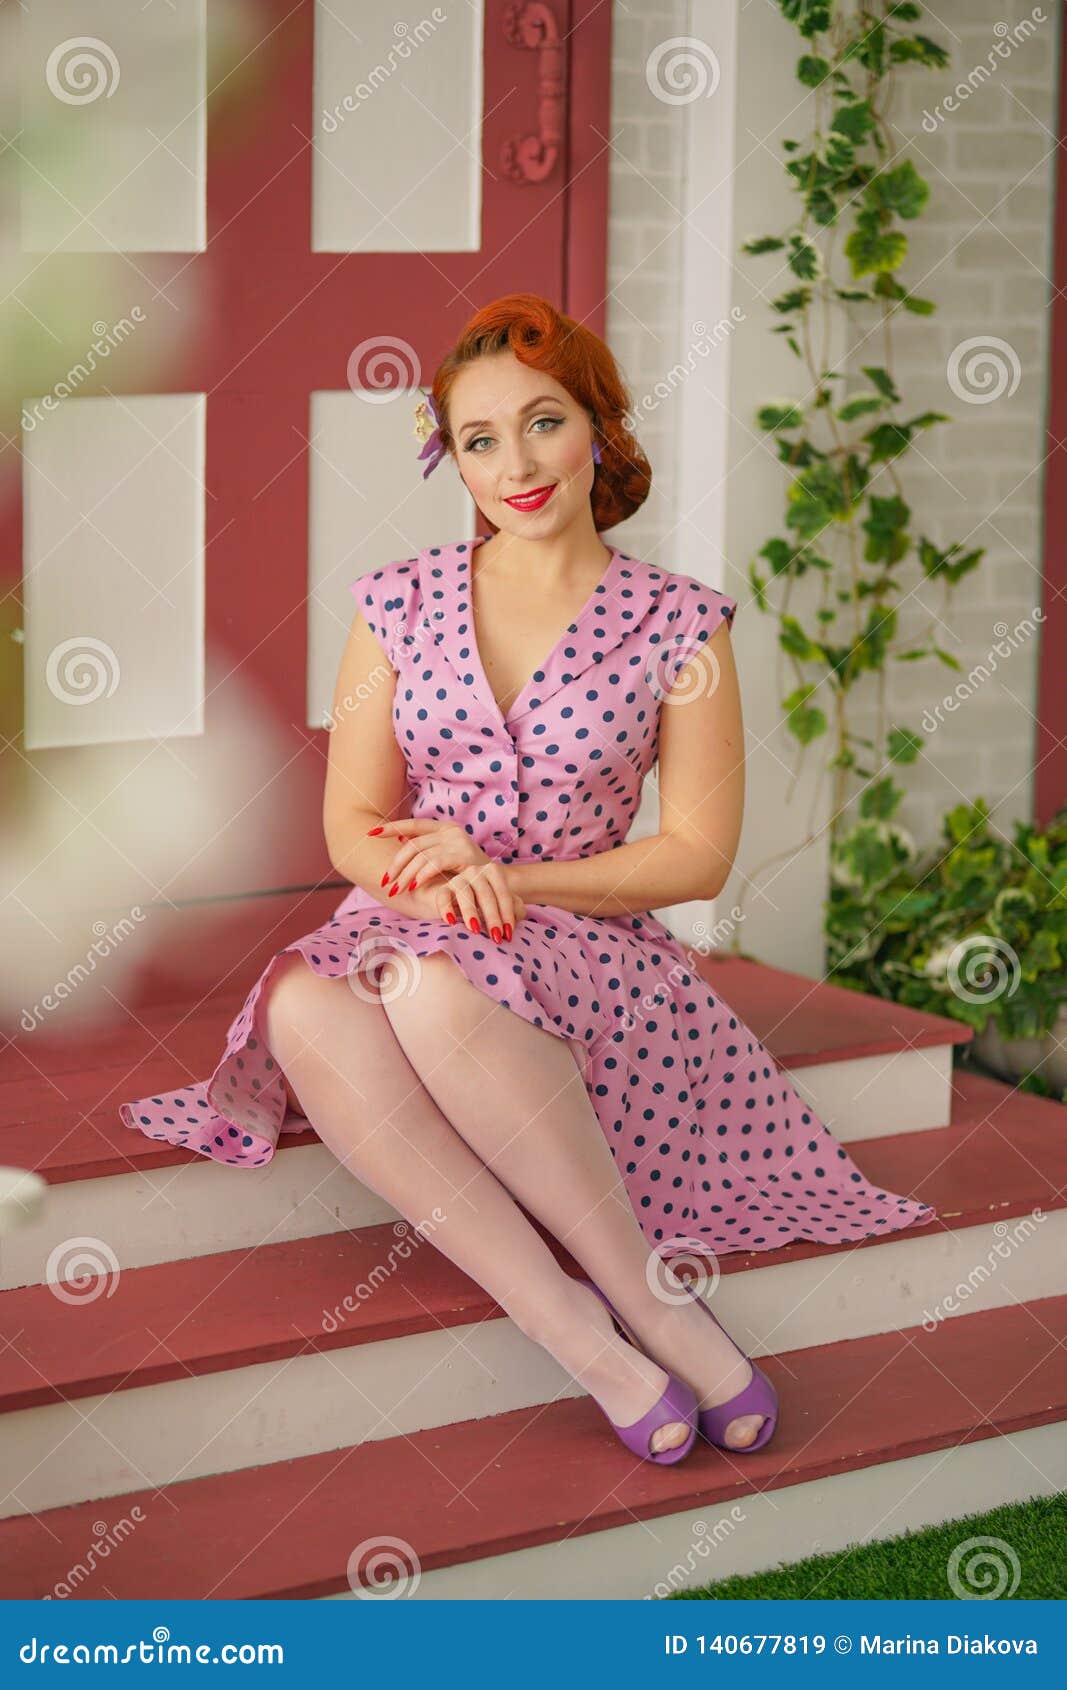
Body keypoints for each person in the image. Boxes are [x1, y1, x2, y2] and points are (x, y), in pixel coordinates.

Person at [121, 293, 935, 1464]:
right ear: (448, 457)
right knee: (309, 996)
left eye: (542, 422)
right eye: (478, 439)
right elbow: (352, 824)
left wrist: (509, 877)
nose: (515, 463)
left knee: (434, 988)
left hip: (589, 935)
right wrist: (437, 884)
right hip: (414, 912)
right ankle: (572, 1329)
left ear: (597, 427)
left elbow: (694, 856)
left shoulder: (680, 627)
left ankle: (650, 1296)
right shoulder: (395, 605)